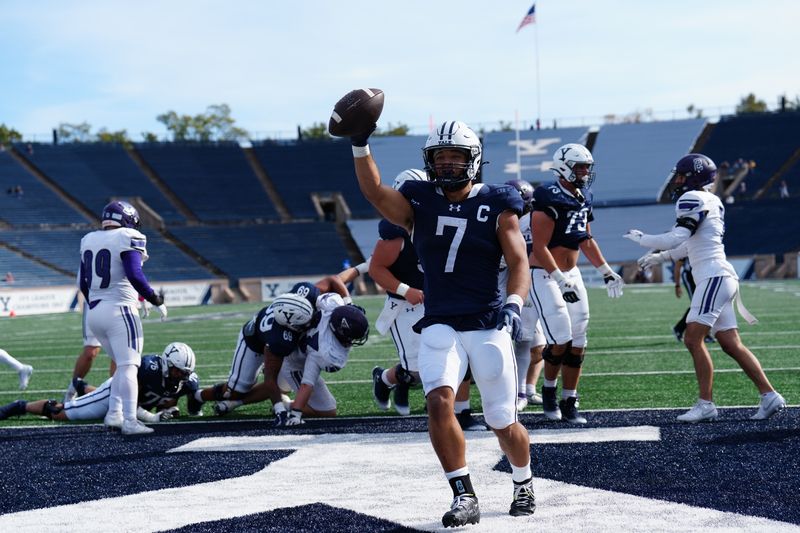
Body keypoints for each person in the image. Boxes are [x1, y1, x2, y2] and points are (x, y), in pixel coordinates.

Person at [350, 119, 535, 526]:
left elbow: (519, 261)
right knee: (438, 400)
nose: (448, 164)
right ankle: (463, 494)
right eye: (440, 156)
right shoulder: (418, 199)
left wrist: (515, 303)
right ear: (429, 161)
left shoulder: (499, 202)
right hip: (439, 321)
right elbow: (373, 192)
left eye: (455, 156)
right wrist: (360, 144)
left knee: (502, 421)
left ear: (473, 160)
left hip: (487, 322)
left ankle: (523, 481)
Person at [626, 153, 785, 423]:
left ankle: (706, 404)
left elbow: (678, 236)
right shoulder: (712, 200)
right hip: (719, 275)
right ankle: (769, 396)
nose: (677, 180)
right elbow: (692, 243)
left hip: (713, 276)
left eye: (681, 175)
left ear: (693, 177)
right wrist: (661, 257)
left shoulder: (691, 199)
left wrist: (645, 240)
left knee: (692, 338)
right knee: (730, 343)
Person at [370, 168, 487, 430]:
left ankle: (462, 413)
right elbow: (377, 268)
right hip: (406, 305)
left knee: (459, 357)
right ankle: (386, 379)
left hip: (441, 298)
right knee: (417, 371)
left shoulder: (440, 216)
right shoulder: (394, 231)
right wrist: (404, 290)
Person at [529, 144, 624, 425]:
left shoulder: (585, 195)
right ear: (563, 165)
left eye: (586, 167)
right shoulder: (548, 195)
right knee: (560, 338)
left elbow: (586, 238)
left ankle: (569, 398)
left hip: (572, 274)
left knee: (579, 340)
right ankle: (548, 390)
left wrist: (606, 270)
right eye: (580, 166)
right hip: (545, 274)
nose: (585, 171)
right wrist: (559, 279)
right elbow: (540, 246)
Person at [195, 276, 350, 416]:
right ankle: (198, 396)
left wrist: (349, 299)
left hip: (277, 339)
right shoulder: (280, 338)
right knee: (235, 391)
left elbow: (331, 280)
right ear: (292, 325)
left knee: (284, 384)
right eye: (305, 323)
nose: (311, 323)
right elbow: (270, 380)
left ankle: (235, 403)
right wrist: (279, 409)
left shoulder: (306, 293)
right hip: (253, 342)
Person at [78, 200, 168, 435]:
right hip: (120, 310)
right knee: (129, 366)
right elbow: (134, 274)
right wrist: (153, 298)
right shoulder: (127, 236)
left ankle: (114, 414)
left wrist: (99, 304)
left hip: (95, 313)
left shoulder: (88, 239)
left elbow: (82, 284)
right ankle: (130, 421)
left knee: (121, 365)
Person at [0, 342, 197, 426]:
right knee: (58, 412)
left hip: (129, 402)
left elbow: (191, 401)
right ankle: (19, 406)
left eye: (184, 373)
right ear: (166, 364)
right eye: (177, 371)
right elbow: (129, 401)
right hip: (116, 393)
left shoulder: (185, 382)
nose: (180, 376)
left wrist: (191, 410)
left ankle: (81, 386)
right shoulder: (147, 370)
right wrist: (153, 418)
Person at [272, 293, 370, 427]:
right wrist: (296, 413)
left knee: (279, 386)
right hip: (293, 364)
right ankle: (284, 405)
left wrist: (348, 298)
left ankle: (274, 384)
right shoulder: (325, 351)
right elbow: (307, 383)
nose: (352, 341)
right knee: (327, 410)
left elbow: (334, 280)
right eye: (351, 337)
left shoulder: (332, 304)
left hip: (295, 350)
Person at [502, 179, 545, 412]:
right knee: (523, 341)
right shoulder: (502, 223)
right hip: (512, 286)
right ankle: (517, 392)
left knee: (540, 347)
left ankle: (528, 388)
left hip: (533, 283)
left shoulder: (535, 220)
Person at [672, 257, 714, 344]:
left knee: (707, 304)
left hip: (703, 277)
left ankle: (679, 328)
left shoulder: (707, 245)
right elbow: (678, 265)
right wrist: (677, 285)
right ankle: (704, 334)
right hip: (690, 277)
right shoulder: (687, 246)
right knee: (698, 305)